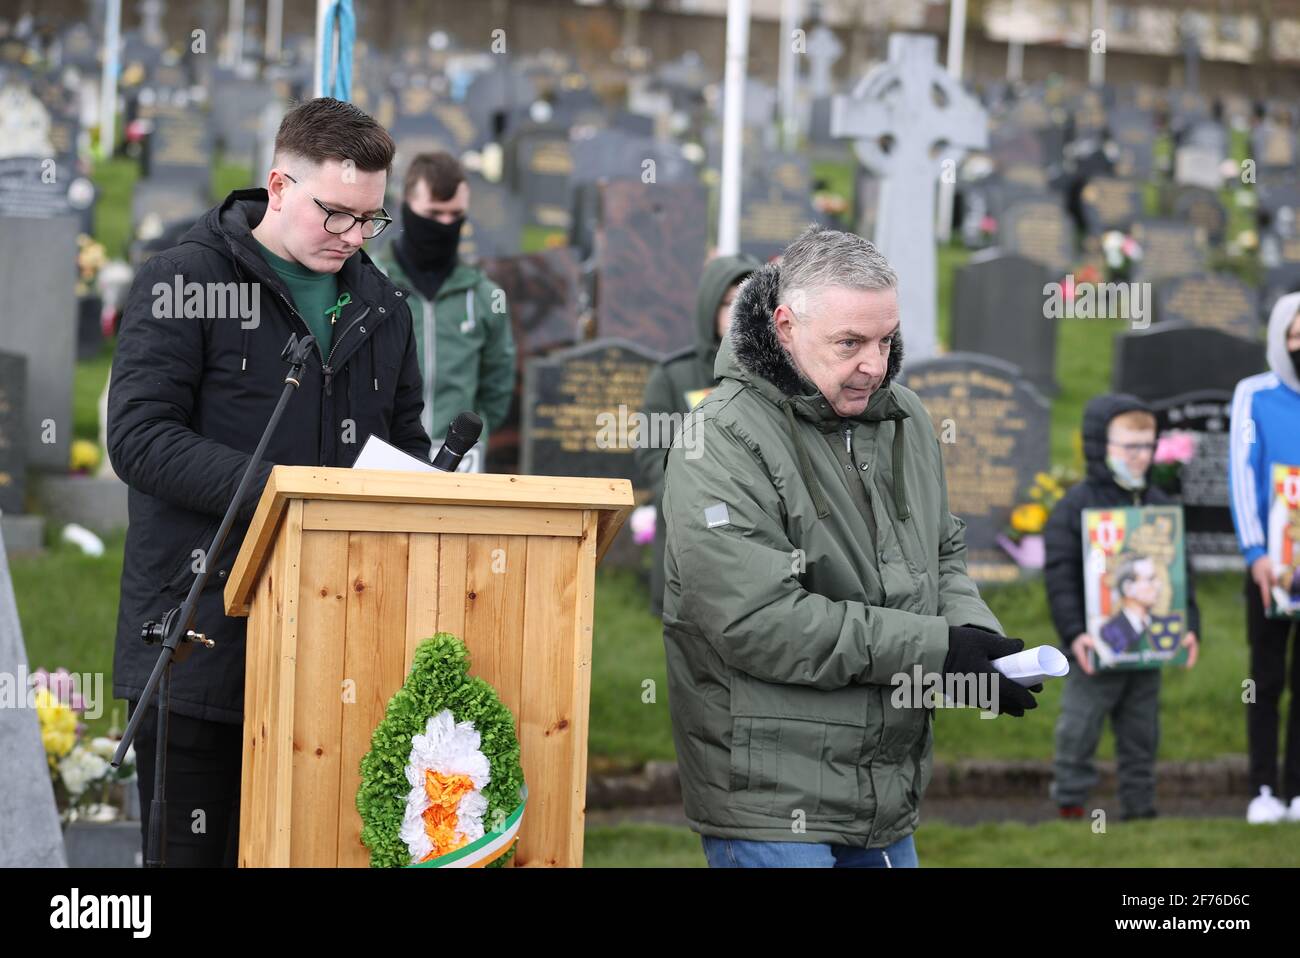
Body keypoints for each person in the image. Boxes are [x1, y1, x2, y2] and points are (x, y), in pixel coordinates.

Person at [108, 98, 431, 866]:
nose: (354, 236)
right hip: (199, 642)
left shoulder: (383, 307)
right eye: (337, 214)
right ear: (279, 185)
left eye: (371, 220)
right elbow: (140, 439)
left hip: (340, 649)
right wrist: (288, 492)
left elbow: (407, 444)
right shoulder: (183, 280)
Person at [661, 226, 1039, 869]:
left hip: (884, 794)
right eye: (850, 343)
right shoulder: (718, 437)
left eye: (887, 339)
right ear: (784, 326)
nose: (875, 363)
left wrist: (977, 640)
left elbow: (940, 554)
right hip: (770, 799)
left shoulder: (906, 419)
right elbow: (757, 621)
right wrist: (938, 650)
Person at [1044, 396, 1200, 822]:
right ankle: (1071, 801)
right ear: (1099, 445)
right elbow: (1060, 576)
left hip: (1149, 648)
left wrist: (1191, 627)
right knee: (1080, 725)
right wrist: (1075, 632)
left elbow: (1181, 573)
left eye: (1147, 446)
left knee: (1141, 731)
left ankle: (1139, 807)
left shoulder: (1160, 504)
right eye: (1129, 446)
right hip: (1098, 643)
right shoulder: (1075, 507)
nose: (1140, 456)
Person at [635, 253, 760, 616]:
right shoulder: (675, 375)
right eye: (728, 304)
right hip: (690, 525)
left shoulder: (775, 376)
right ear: (710, 307)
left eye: (748, 304)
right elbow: (652, 452)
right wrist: (693, 499)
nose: (738, 314)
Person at [373, 151, 515, 468]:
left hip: (460, 459)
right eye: (434, 214)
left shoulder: (484, 297)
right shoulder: (371, 285)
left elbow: (497, 388)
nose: (445, 225)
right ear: (407, 206)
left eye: (456, 215)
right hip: (384, 454)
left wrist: (473, 433)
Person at [1229, 291, 1300, 824]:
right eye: (1294, 334)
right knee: (1266, 676)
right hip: (1269, 565)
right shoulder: (1253, 395)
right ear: (1279, 338)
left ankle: (1297, 788)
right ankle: (1263, 788)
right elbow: (1242, 473)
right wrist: (1256, 552)